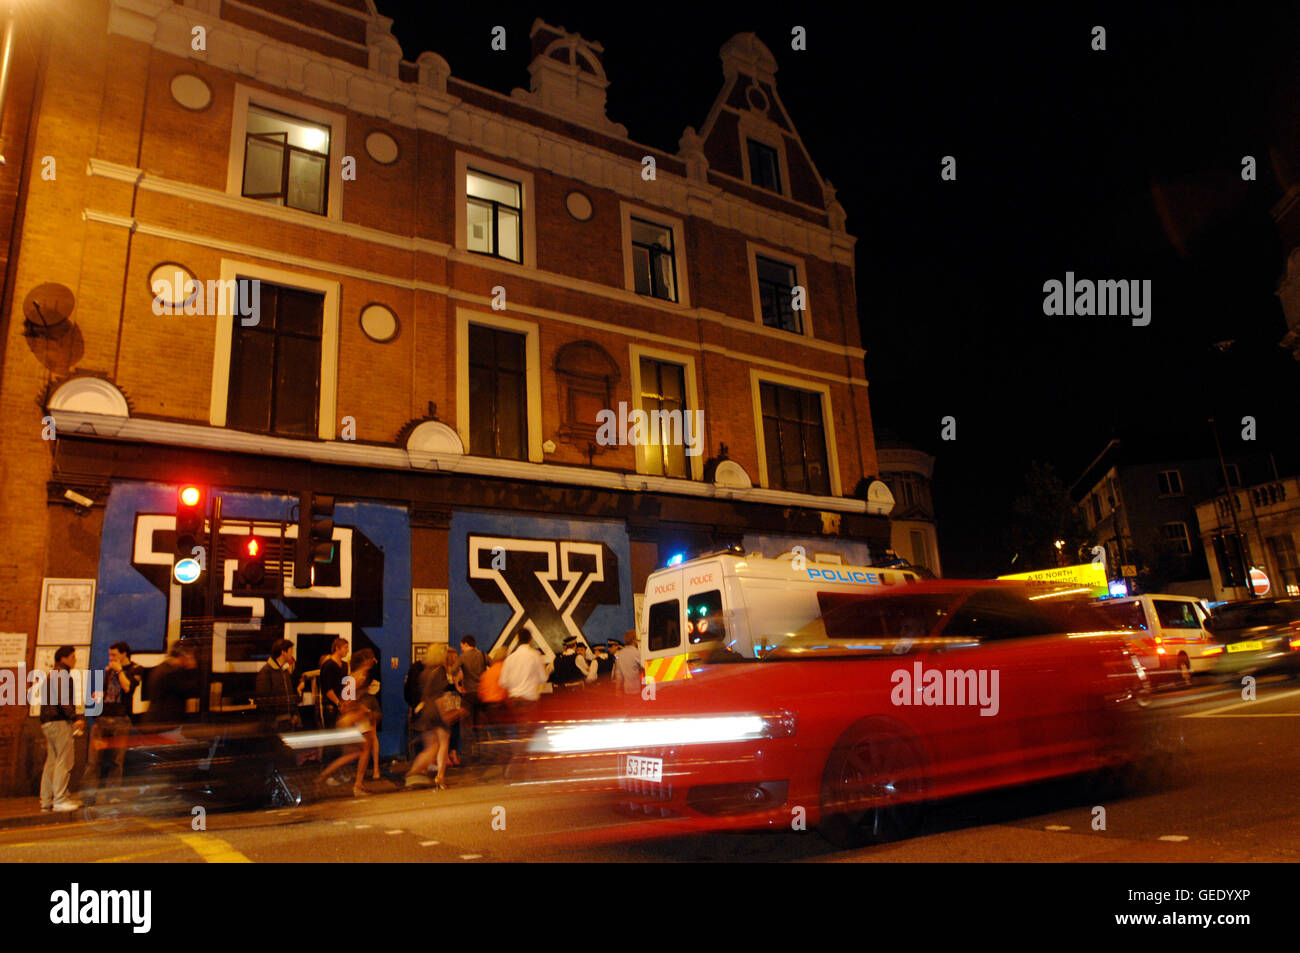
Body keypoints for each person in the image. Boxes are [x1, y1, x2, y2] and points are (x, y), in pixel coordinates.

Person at [82, 641, 143, 796]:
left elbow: (127, 688)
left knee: (117, 761)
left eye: (114, 655)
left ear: (124, 654)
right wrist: (97, 697)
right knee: (94, 760)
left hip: (120, 720)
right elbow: (106, 692)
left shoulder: (135, 669)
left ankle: (112, 796)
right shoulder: (108, 671)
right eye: (110, 655)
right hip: (102, 718)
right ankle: (89, 796)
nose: (111, 658)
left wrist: (120, 671)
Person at [319, 648, 380, 796]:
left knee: (355, 753)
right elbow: (347, 700)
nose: (373, 660)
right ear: (365, 660)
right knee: (365, 749)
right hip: (356, 719)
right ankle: (358, 785)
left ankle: (326, 773)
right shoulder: (357, 677)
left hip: (355, 718)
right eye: (371, 658)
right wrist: (363, 710)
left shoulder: (357, 676)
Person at [405, 648, 459, 790]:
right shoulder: (439, 671)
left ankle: (413, 772)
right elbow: (439, 696)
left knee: (432, 747)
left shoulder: (424, 673)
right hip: (436, 711)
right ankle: (440, 777)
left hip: (426, 711)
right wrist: (445, 714)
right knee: (443, 742)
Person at [40, 646, 85, 813]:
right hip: (59, 722)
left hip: (48, 722)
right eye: (72, 657)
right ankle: (60, 799)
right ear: (63, 658)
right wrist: (75, 718)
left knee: (51, 762)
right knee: (64, 761)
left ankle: (46, 800)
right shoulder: (63, 675)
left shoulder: (52, 674)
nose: (75, 660)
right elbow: (63, 699)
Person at [142, 641, 198, 725]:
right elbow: (192, 691)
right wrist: (192, 669)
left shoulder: (162, 667)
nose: (192, 658)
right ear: (184, 656)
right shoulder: (173, 672)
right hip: (166, 722)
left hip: (155, 719)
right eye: (191, 655)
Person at [255, 639, 303, 732]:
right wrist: (273, 722)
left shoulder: (284, 672)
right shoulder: (266, 672)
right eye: (290, 651)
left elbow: (289, 694)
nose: (292, 655)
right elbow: (264, 700)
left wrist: (294, 715)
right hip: (275, 724)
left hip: (287, 721)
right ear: (283, 652)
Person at [500, 629, 550, 707]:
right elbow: (544, 678)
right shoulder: (536, 655)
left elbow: (503, 682)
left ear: (518, 640)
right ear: (530, 639)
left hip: (514, 700)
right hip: (530, 699)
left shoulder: (510, 658)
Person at [457, 635, 486, 762]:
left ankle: (467, 754)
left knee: (466, 726)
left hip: (468, 696)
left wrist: (458, 685)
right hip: (480, 695)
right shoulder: (483, 655)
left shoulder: (463, 657)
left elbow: (453, 670)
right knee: (480, 725)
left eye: (462, 646)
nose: (461, 649)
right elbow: (494, 664)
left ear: (466, 644)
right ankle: (482, 753)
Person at [317, 638, 349, 728]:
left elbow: (345, 684)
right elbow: (328, 689)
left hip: (342, 705)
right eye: (345, 647)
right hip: (330, 706)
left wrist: (345, 702)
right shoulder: (328, 665)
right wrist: (338, 703)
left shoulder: (345, 665)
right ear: (337, 648)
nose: (348, 650)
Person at [612, 630, 644, 695]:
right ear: (634, 640)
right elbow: (644, 666)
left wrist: (617, 690)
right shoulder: (636, 652)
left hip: (626, 690)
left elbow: (618, 674)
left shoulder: (620, 654)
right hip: (636, 688)